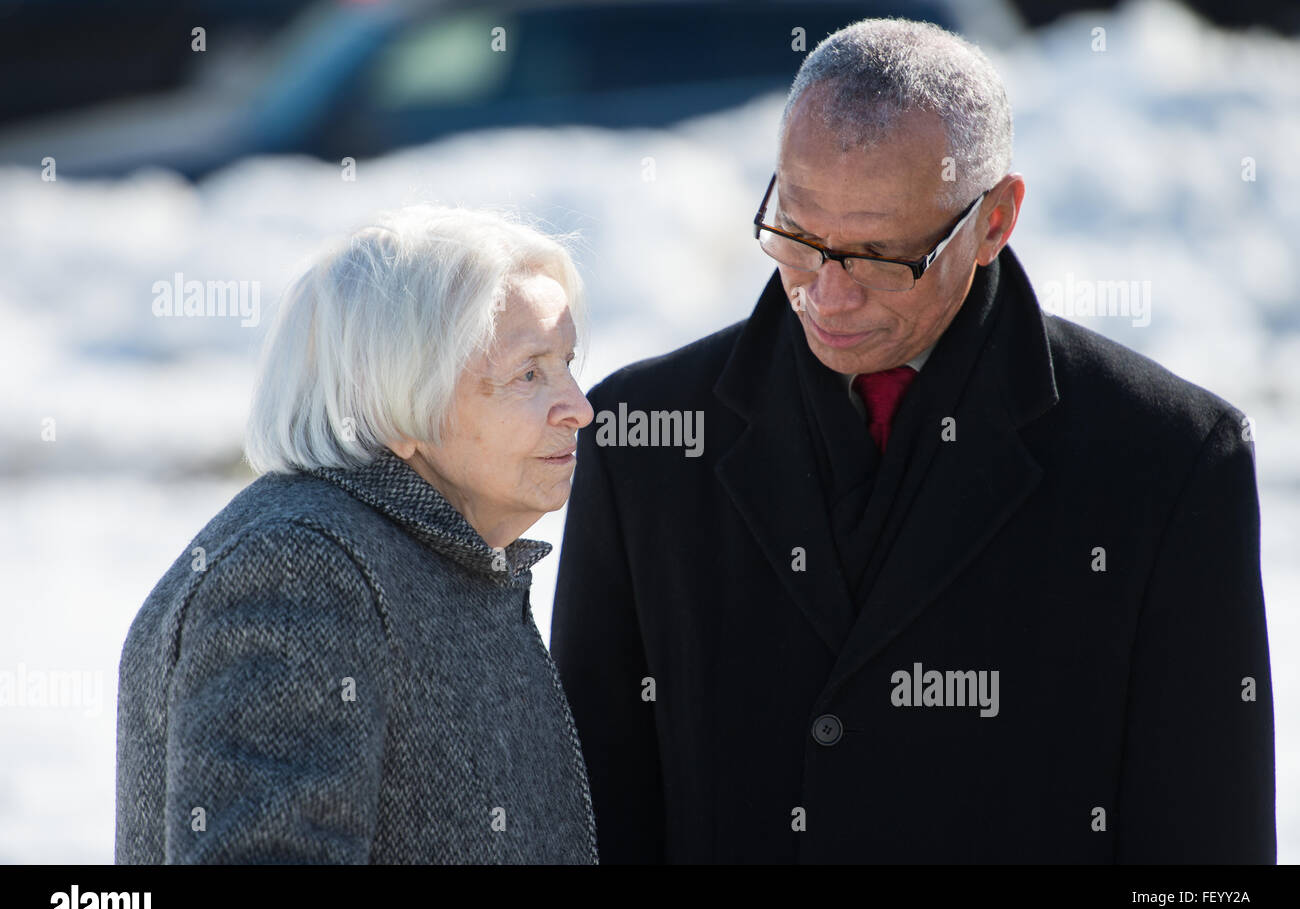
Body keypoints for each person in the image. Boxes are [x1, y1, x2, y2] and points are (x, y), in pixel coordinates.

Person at [550, 17, 1275, 863]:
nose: (828, 294)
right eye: (799, 233)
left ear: (996, 219)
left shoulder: (1169, 458)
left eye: (880, 255)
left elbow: (1204, 867)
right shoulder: (643, 441)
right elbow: (594, 821)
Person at [116, 204, 598, 864]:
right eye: (530, 373)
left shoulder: (427, 552)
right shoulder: (301, 569)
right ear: (399, 398)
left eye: (568, 362)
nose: (580, 405)